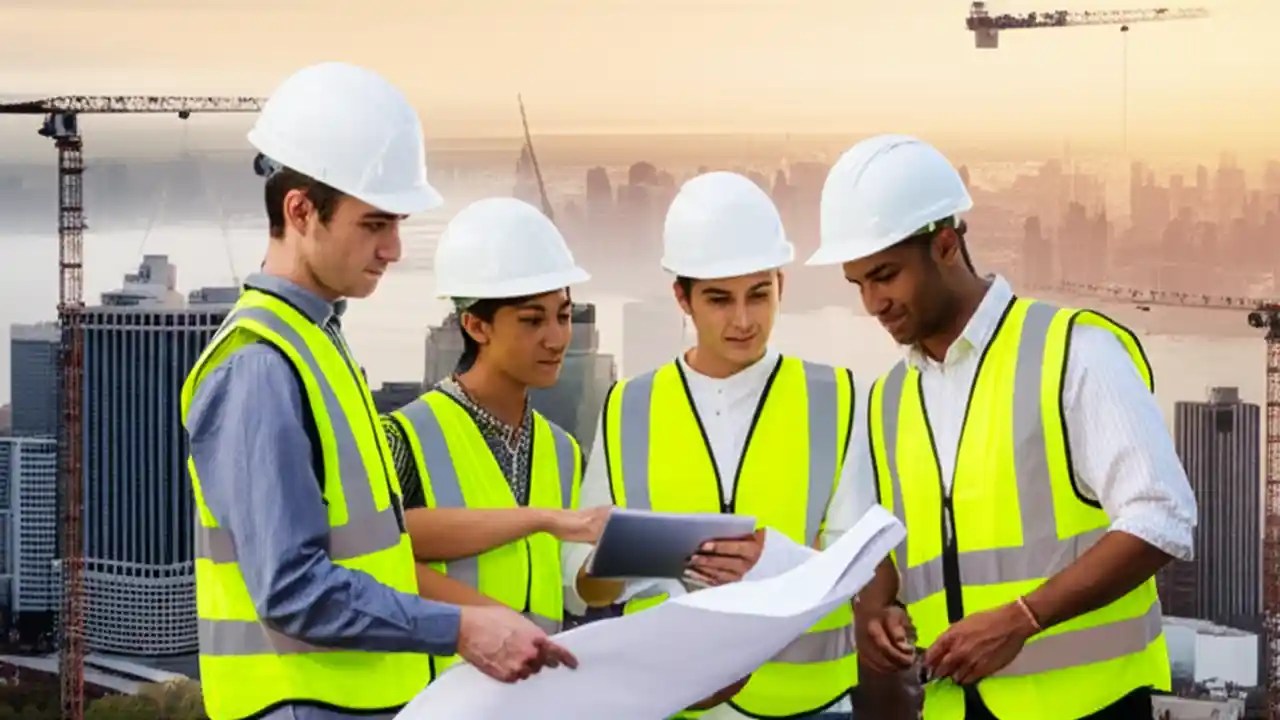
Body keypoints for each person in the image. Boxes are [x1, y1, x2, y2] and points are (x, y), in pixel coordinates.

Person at [179, 63, 576, 720]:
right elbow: (292, 591)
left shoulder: (316, 344)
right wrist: (460, 627)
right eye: (374, 224)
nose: (394, 248)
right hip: (303, 707)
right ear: (300, 211)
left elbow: (371, 551)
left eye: (397, 224)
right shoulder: (259, 365)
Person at [805, 133, 1197, 719]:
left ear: (945, 246)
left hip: (1088, 707)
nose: (873, 302)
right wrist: (880, 609)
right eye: (858, 283)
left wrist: (1022, 619)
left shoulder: (1073, 352)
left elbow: (1162, 517)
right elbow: (899, 548)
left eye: (885, 276)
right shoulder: (889, 398)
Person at [564, 171, 875, 719]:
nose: (743, 320)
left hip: (808, 703)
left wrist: (768, 563)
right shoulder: (628, 406)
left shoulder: (837, 397)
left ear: (781, 285)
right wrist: (613, 562)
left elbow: (858, 568)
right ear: (682, 297)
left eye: (759, 295)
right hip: (672, 700)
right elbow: (581, 587)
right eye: (719, 299)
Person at [382, 196, 610, 679]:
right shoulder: (404, 436)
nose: (556, 338)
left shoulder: (564, 451)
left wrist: (626, 556)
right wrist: (492, 617)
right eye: (532, 320)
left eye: (564, 316)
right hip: (440, 696)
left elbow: (575, 592)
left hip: (538, 695)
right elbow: (381, 551)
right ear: (476, 325)